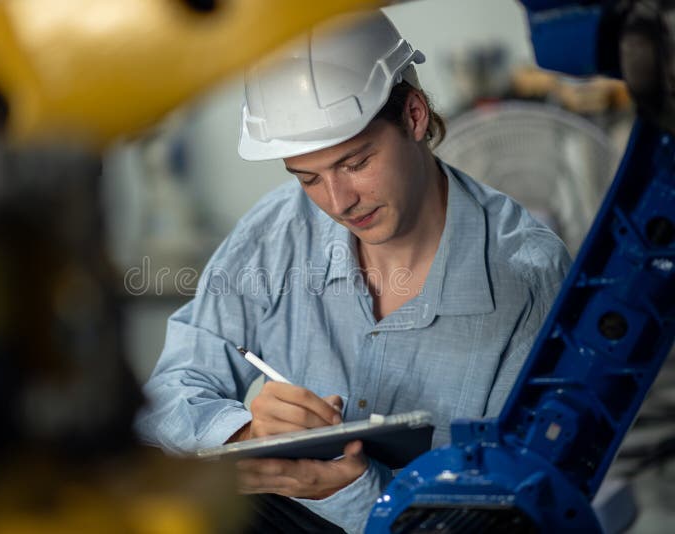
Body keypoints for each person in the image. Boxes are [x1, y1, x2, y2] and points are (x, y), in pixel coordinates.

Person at [136, 10, 571, 533]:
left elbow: (525, 510)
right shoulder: (277, 230)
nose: (339, 202)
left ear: (414, 116)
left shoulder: (526, 279)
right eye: (308, 178)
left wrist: (352, 490)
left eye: (356, 163)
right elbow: (169, 393)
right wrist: (246, 435)